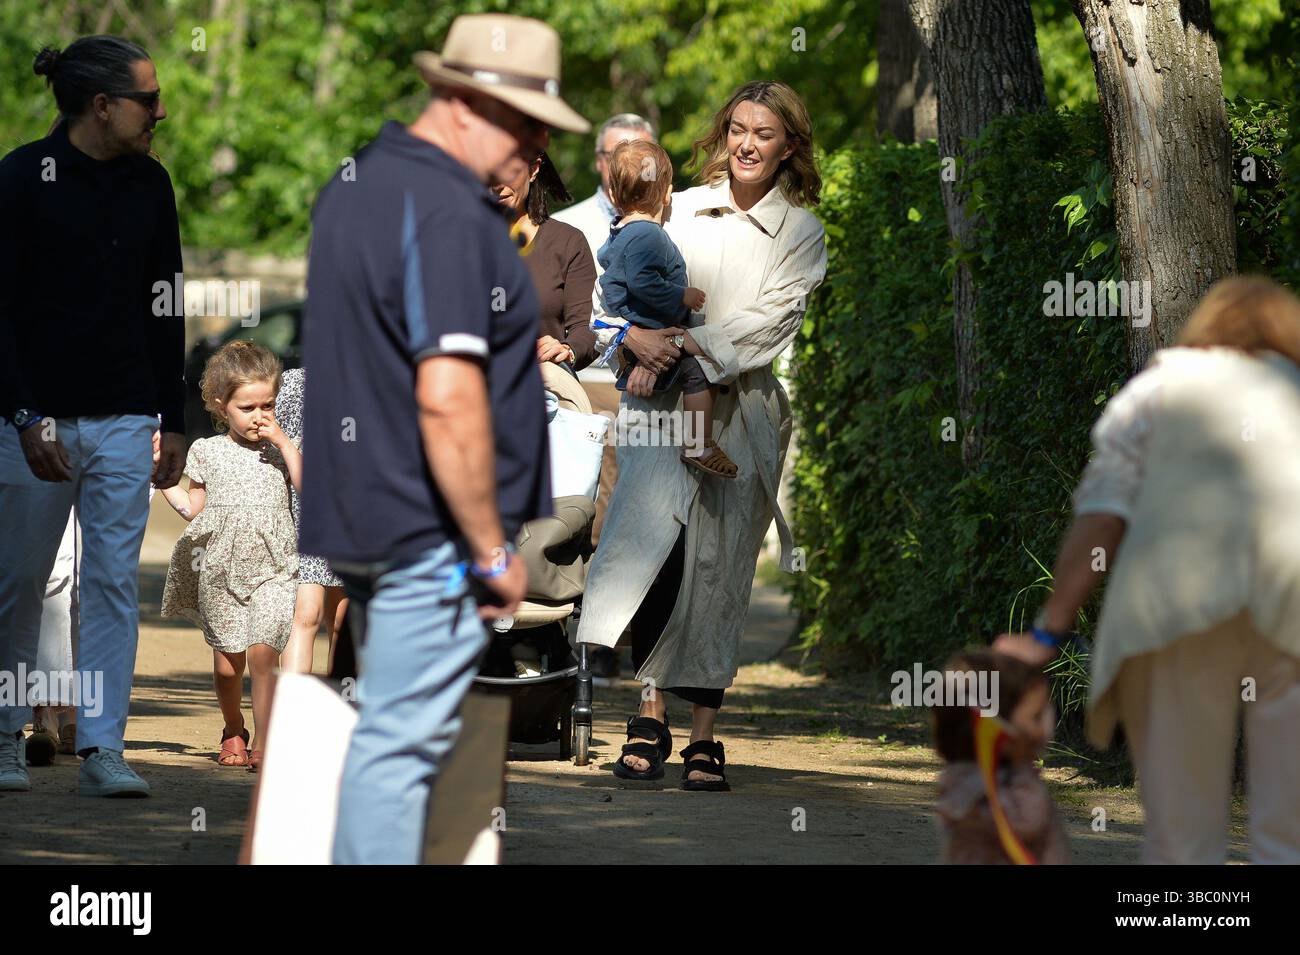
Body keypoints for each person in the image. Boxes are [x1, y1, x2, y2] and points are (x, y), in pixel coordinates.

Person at [299, 12, 586, 864]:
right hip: (430, 527)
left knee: (386, 739)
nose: (537, 146)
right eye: (531, 121)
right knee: (406, 748)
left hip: (370, 513)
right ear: (470, 103)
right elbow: (449, 395)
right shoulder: (450, 213)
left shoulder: (360, 183)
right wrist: (491, 544)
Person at [996, 276, 1300, 864]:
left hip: (1173, 612)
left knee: (1181, 841)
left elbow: (1102, 517)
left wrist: (1045, 634)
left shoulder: (1158, 389)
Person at [576, 81, 828, 791]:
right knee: (655, 553)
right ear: (723, 133)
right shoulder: (673, 208)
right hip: (658, 406)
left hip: (742, 412)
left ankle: (705, 735)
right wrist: (636, 341)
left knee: (718, 570)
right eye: (738, 128)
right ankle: (647, 714)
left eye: (766, 133)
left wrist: (682, 342)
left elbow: (771, 324)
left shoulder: (802, 233)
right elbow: (609, 294)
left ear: (789, 148)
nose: (748, 143)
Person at [0, 36, 185, 797]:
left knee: (111, 583)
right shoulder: (20, 177)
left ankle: (102, 745)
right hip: (30, 421)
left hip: (123, 416)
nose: (160, 112)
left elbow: (165, 299)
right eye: (148, 99)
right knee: (18, 582)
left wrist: (173, 419)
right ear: (102, 105)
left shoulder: (151, 183)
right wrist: (21, 413)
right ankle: (6, 736)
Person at [160, 342, 301, 771]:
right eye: (248, 406)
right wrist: (162, 481)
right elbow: (192, 509)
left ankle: (265, 739)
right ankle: (233, 726)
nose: (260, 415)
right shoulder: (206, 451)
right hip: (219, 569)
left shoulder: (282, 448)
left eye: (268, 405)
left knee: (263, 655)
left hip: (275, 568)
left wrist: (286, 442)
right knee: (227, 668)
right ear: (221, 405)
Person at [596, 139, 734, 479]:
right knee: (697, 372)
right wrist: (680, 296)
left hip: (635, 329)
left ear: (614, 195)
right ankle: (699, 442)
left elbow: (609, 274)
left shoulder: (619, 232)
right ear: (667, 193)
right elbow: (643, 283)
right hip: (657, 326)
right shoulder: (649, 234)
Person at [932, 649, 1069, 865]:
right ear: (995, 729)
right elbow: (1024, 823)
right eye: (1036, 716)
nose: (1047, 729)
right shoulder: (1001, 793)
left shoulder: (959, 781)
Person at [492, 151, 598, 371]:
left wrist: (568, 350)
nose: (497, 184)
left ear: (534, 169)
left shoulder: (568, 242)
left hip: (544, 393)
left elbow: (588, 328)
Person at [275, 368, 349, 675]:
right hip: (308, 518)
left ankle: (336, 713)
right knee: (306, 616)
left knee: (341, 623)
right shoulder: (296, 384)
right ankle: (294, 714)